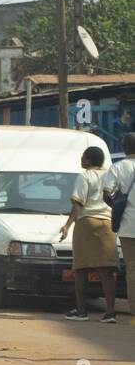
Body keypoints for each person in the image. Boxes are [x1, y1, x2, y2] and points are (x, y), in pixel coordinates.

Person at [59, 145, 119, 322]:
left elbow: (78, 204)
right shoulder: (109, 174)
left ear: (89, 160)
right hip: (107, 223)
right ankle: (110, 313)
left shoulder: (84, 176)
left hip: (86, 223)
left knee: (81, 269)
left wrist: (67, 226)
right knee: (106, 270)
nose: (81, 159)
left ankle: (81, 310)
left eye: (83, 157)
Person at [102, 132, 135, 322]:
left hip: (129, 224)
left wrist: (117, 205)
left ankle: (134, 312)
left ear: (124, 148)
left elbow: (106, 193)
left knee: (132, 269)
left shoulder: (118, 167)